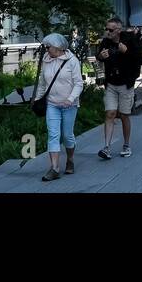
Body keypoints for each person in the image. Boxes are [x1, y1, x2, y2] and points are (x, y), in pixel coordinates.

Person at [35, 33, 83, 181]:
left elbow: (79, 84)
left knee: (67, 136)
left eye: (48, 47)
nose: (46, 49)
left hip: (69, 105)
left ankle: (70, 160)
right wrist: (37, 99)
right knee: (53, 135)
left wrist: (70, 99)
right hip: (52, 104)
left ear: (57, 47)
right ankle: (55, 168)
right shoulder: (46, 61)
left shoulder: (72, 61)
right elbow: (43, 83)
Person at [96, 16, 142, 160]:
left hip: (126, 84)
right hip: (111, 83)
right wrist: (100, 56)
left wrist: (127, 52)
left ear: (118, 30)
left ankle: (126, 145)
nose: (107, 32)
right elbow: (99, 56)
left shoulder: (130, 39)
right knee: (110, 113)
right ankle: (106, 148)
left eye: (110, 30)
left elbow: (140, 59)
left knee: (124, 115)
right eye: (106, 29)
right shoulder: (105, 42)